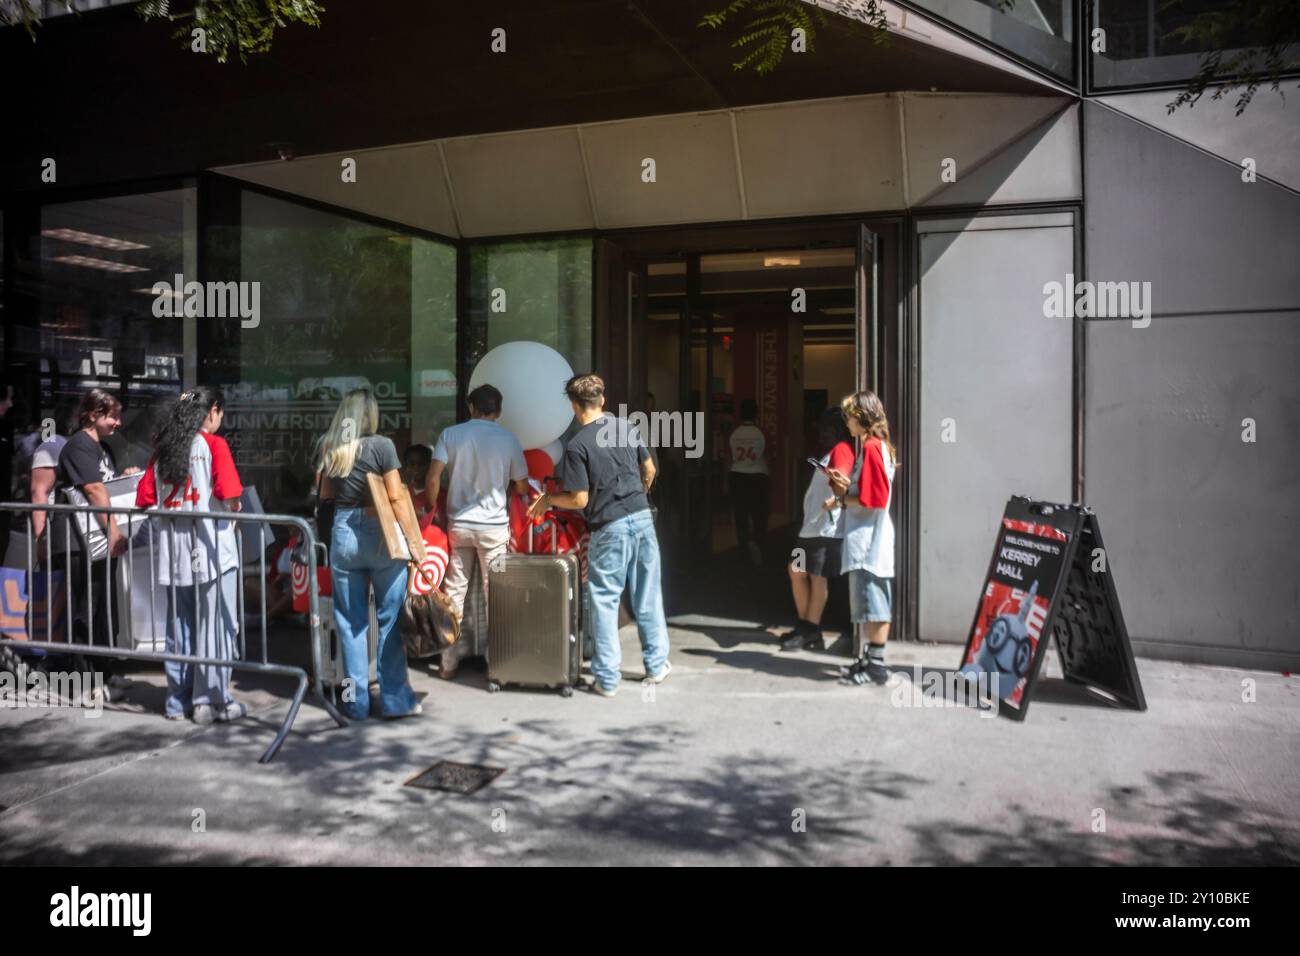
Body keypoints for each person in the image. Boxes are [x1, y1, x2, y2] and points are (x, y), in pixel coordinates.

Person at [529, 373, 669, 697]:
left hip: (610, 526)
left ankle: (607, 679)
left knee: (605, 601)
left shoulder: (578, 445)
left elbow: (579, 500)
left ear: (575, 406)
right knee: (648, 594)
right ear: (602, 399)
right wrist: (638, 494)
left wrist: (548, 500)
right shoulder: (627, 427)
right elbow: (650, 469)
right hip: (642, 517)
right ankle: (657, 665)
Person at [135, 387, 247, 724]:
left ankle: (176, 702)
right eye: (220, 413)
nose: (220, 420)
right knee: (216, 626)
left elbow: (144, 497)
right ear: (212, 411)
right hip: (211, 550)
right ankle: (210, 701)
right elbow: (231, 496)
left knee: (179, 627)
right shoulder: (214, 445)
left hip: (175, 551)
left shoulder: (163, 448)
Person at [316, 388, 421, 720]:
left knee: (349, 625)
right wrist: (414, 544)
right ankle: (395, 700)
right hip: (381, 534)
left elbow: (326, 496)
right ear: (370, 415)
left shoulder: (330, 447)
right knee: (389, 621)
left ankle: (354, 703)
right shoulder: (382, 446)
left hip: (344, 532)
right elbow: (396, 498)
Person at [425, 384, 528, 680]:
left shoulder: (451, 435)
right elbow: (521, 486)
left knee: (455, 592)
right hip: (494, 528)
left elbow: (432, 478)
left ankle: (448, 662)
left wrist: (433, 508)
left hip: (459, 525)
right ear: (499, 411)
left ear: (471, 407)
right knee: (493, 594)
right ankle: (494, 663)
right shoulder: (508, 439)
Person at [56, 389, 140, 681]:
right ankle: (85, 678)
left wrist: (125, 478)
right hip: (81, 542)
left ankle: (103, 671)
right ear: (93, 415)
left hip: (99, 540)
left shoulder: (102, 448)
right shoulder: (79, 446)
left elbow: (105, 486)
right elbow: (93, 489)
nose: (118, 423)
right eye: (113, 416)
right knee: (87, 608)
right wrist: (114, 530)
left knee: (105, 606)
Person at [827, 390, 897, 686]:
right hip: (869, 537)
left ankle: (876, 665)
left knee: (874, 601)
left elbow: (875, 498)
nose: (847, 423)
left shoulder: (870, 447)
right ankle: (871, 659)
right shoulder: (879, 446)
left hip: (869, 540)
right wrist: (849, 486)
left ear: (860, 417)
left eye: (849, 416)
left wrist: (843, 499)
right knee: (871, 600)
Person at [783, 407, 855, 652]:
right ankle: (807, 627)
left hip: (825, 528)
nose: (822, 433)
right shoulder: (831, 452)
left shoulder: (842, 451)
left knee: (815, 576)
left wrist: (834, 502)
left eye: (827, 428)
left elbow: (841, 485)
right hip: (813, 528)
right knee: (798, 571)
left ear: (837, 430)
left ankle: (810, 629)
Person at [727, 398, 769, 566]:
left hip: (737, 476)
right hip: (759, 477)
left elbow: (728, 458)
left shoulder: (734, 434)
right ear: (756, 414)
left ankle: (744, 547)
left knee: (741, 516)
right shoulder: (761, 433)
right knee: (760, 516)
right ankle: (759, 545)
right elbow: (769, 456)